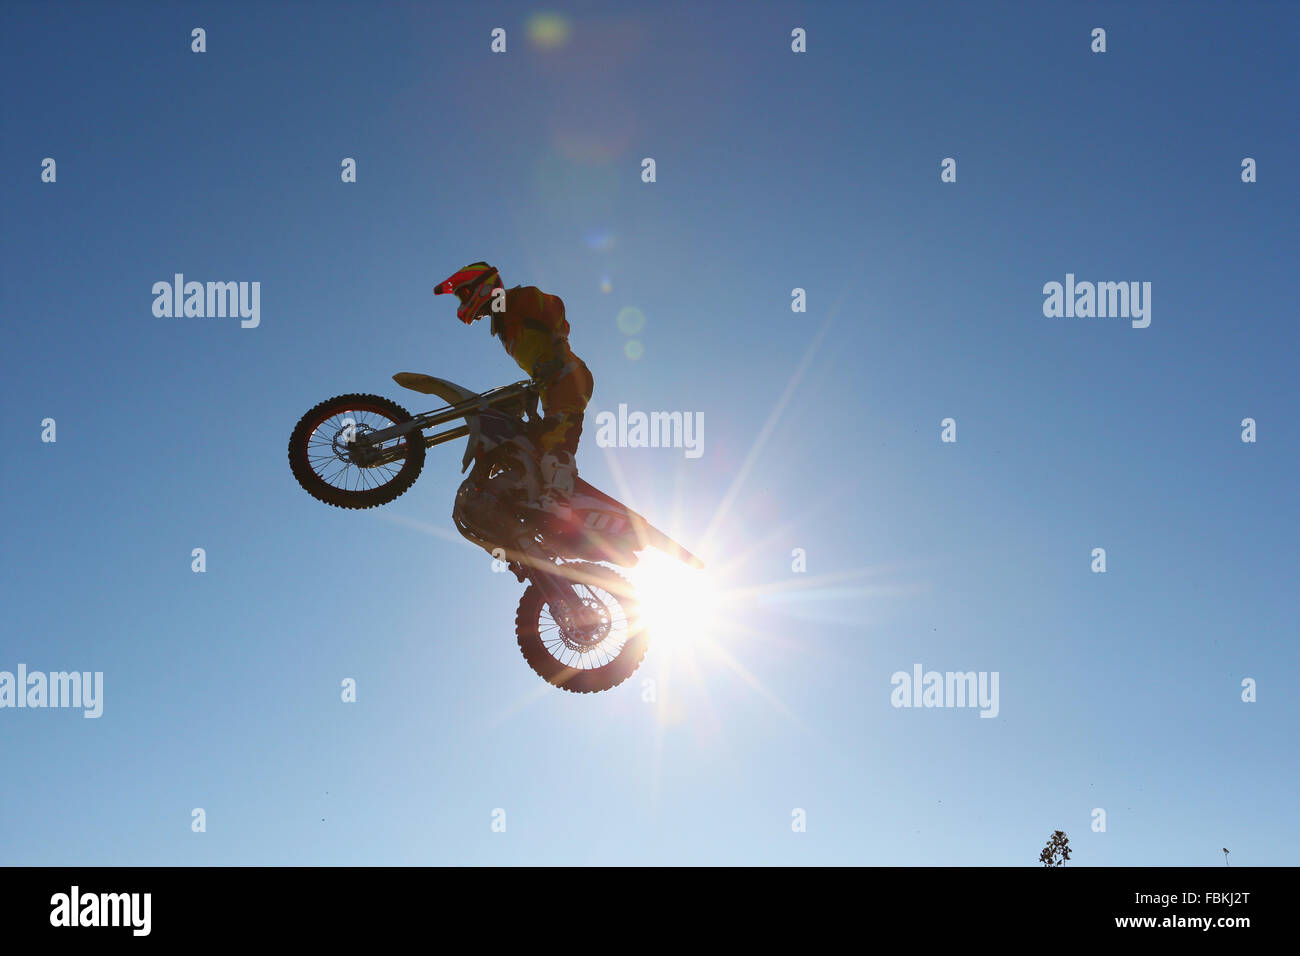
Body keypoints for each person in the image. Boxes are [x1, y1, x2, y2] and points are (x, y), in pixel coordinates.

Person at [434, 262, 593, 520]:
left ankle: (560, 501)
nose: (463, 303)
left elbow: (554, 306)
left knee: (558, 434)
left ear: (481, 286)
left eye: (463, 294)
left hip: (568, 375)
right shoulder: (503, 322)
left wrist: (557, 341)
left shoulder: (516, 300)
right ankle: (529, 490)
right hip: (549, 383)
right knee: (535, 438)